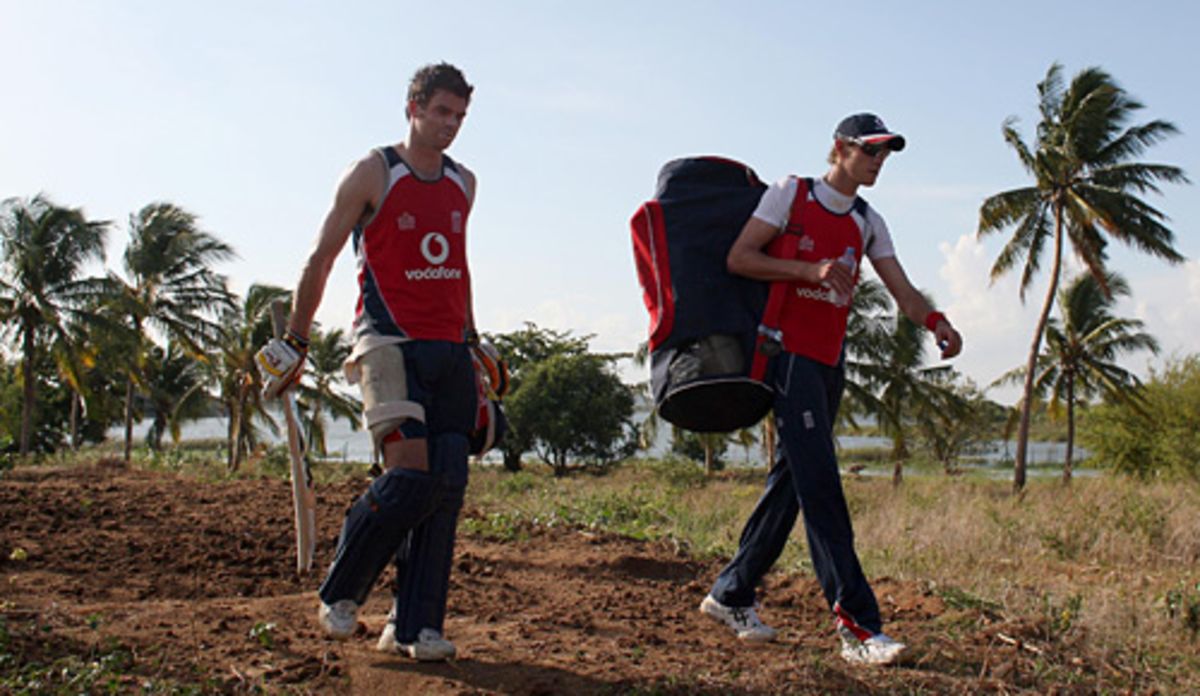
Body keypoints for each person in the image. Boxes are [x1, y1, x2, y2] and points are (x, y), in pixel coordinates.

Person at [698, 113, 963, 666]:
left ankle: (731, 593)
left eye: (884, 154)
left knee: (792, 483)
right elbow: (740, 258)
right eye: (870, 151)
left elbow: (904, 292)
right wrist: (809, 271)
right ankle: (859, 627)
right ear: (838, 149)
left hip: (828, 365)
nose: (877, 161)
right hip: (787, 359)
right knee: (821, 487)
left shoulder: (867, 221)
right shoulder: (790, 195)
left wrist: (935, 321)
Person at [255, 62, 479, 661]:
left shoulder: (465, 183)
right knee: (410, 479)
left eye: (460, 115)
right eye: (441, 112)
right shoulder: (373, 172)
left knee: (448, 482)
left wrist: (475, 341)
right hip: (386, 343)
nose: (451, 125)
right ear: (413, 107)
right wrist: (296, 342)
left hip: (450, 348)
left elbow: (459, 263)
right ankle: (343, 590)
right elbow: (321, 257)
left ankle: (415, 626)